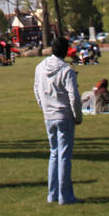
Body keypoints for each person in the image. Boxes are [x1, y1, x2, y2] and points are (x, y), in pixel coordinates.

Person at [33, 37, 83, 204]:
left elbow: (36, 90)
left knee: (54, 153)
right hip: (63, 115)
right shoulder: (66, 70)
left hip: (49, 115)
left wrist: (44, 107)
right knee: (64, 156)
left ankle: (52, 194)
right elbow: (74, 97)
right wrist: (78, 116)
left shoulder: (40, 67)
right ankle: (65, 196)